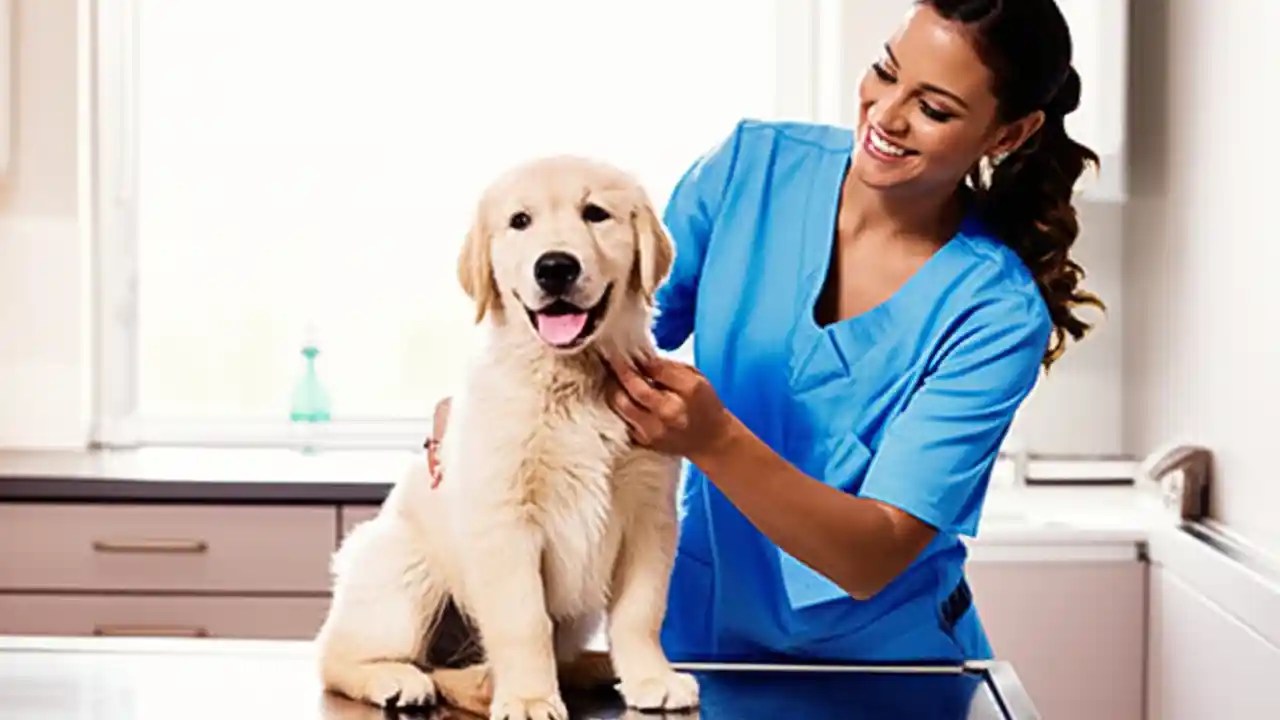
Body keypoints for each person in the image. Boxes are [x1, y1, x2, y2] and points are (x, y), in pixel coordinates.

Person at [427, 0, 1102, 664]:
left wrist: (714, 440)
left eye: (933, 108)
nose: (886, 114)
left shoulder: (995, 311)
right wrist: (495, 408)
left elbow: (875, 554)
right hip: (703, 641)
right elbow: (604, 320)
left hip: (887, 668)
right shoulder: (754, 169)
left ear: (1007, 135)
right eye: (885, 71)